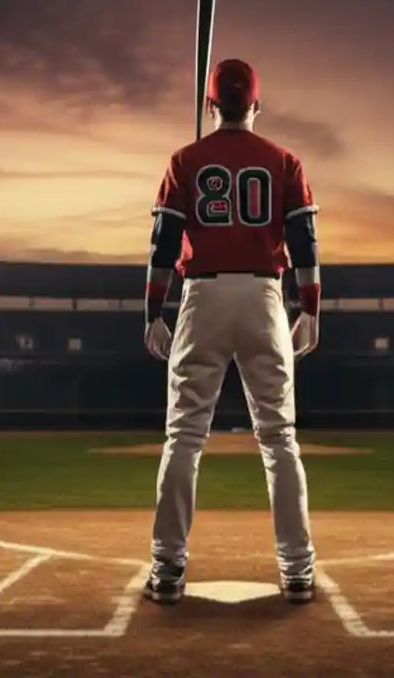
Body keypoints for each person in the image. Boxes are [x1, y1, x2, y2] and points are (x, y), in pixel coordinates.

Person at [141, 58, 322, 605]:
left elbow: (162, 246)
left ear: (210, 105)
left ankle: (168, 569)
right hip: (266, 295)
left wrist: (153, 310)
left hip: (202, 295)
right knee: (280, 440)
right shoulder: (284, 161)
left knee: (184, 438)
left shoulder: (185, 160)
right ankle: (297, 571)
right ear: (257, 105)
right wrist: (310, 307)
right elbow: (306, 244)